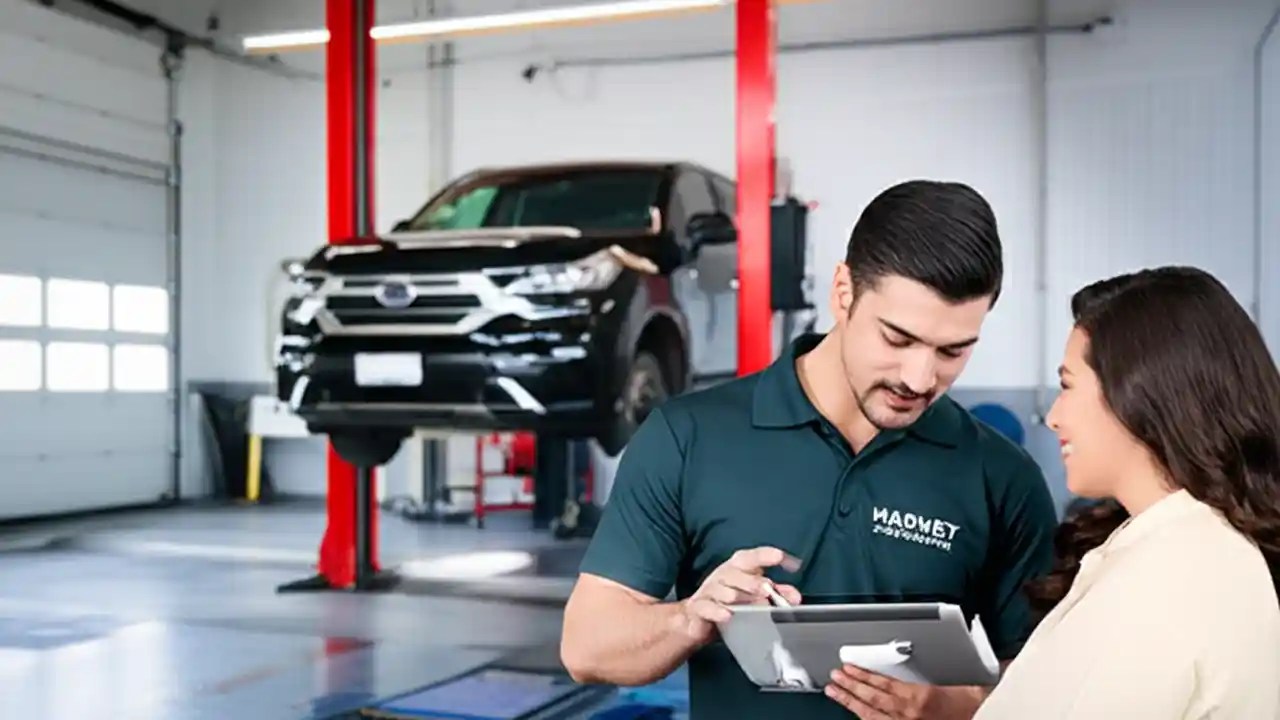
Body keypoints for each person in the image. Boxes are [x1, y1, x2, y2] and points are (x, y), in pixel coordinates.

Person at [560, 180, 1059, 719]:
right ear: (843, 291)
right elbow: (587, 647)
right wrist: (693, 617)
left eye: (953, 351)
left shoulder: (1002, 478)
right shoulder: (687, 439)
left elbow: (1050, 681)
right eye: (897, 338)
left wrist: (958, 707)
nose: (920, 377)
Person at [974, 266, 1280, 719]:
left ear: (1137, 394)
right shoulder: (1178, 548)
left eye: (1067, 385)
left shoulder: (1173, 575)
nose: (1055, 416)